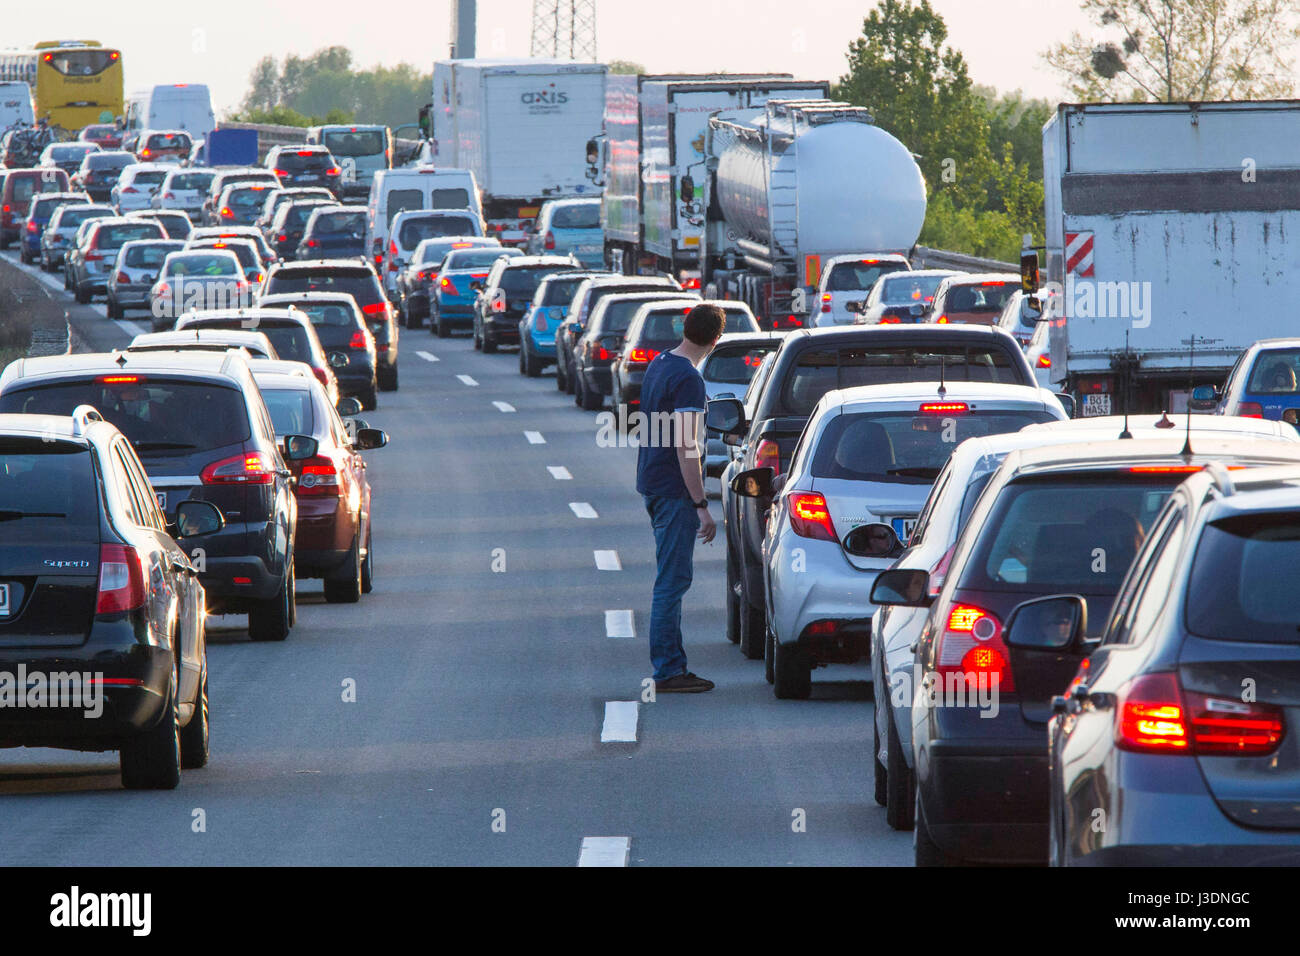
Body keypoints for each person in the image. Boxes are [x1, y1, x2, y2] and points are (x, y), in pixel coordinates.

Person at [636, 302, 726, 693]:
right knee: (672, 582)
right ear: (716, 339)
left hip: (654, 484)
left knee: (669, 580)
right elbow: (687, 445)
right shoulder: (689, 379)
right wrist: (701, 504)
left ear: (685, 328)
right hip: (675, 492)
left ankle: (670, 666)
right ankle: (669, 671)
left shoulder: (659, 364)